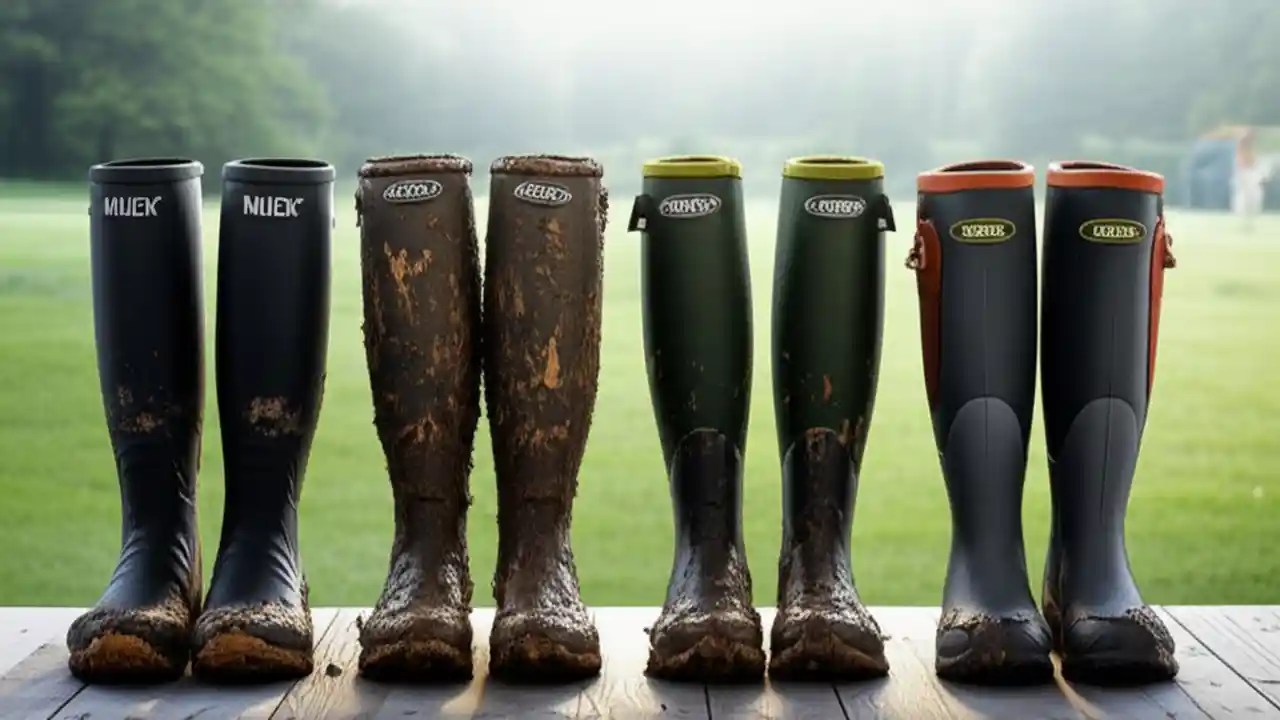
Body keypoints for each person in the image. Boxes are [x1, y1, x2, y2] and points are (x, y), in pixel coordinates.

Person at [1233, 128, 1273, 230]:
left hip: (1251, 171)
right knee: (1245, 196)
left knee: (1255, 194)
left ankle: (1249, 216)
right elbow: (1242, 161)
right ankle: (1243, 217)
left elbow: (1254, 162)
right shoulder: (1242, 145)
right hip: (1245, 171)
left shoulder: (1250, 147)